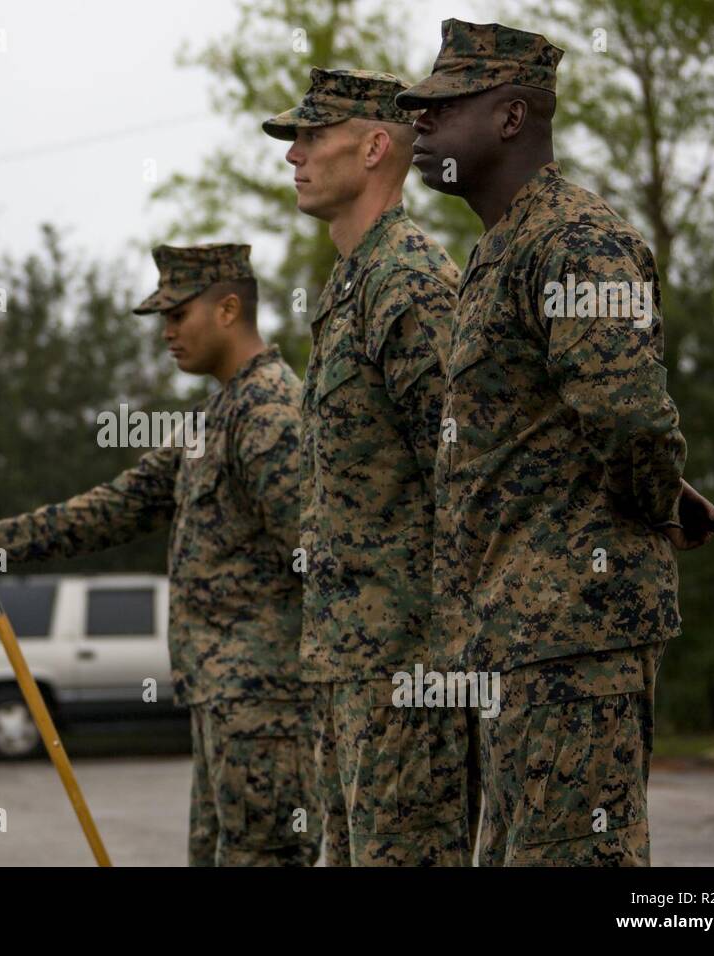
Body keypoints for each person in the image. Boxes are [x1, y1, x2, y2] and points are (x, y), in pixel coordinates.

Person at [399, 18, 714, 866]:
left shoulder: (575, 242)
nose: (420, 125)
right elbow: (561, 427)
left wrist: (657, 501)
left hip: (574, 636)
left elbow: (630, 419)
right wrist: (669, 493)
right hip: (518, 638)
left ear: (513, 118)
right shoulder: (501, 250)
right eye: (416, 110)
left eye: (443, 107)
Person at [0, 243, 321, 866]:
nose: (167, 333)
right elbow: (126, 502)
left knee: (268, 858)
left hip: (268, 706)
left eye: (178, 315)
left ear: (229, 309)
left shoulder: (270, 413)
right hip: (227, 700)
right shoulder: (218, 412)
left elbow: (314, 556)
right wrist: (1, 536)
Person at [263, 68, 476, 865]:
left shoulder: (410, 282)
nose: (296, 156)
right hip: (352, 661)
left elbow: (461, 476)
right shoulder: (351, 282)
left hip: (408, 665)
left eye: (313, 137)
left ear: (376, 146)